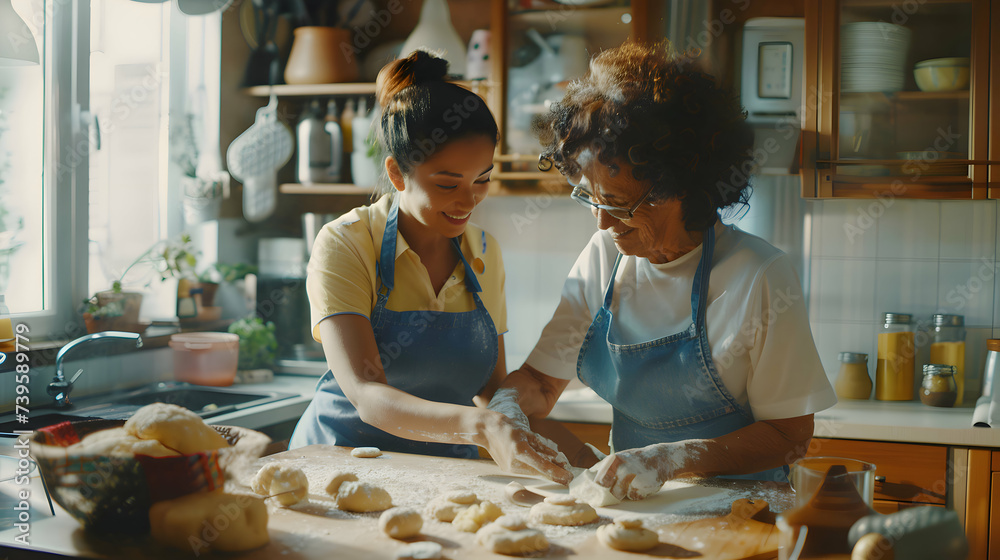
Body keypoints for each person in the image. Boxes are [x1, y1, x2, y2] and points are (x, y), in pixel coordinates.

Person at [493, 41, 837, 499]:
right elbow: (540, 382)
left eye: (617, 203)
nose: (601, 222)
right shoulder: (602, 257)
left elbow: (789, 436)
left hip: (739, 513)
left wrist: (670, 459)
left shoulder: (759, 275)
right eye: (589, 197)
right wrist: (506, 407)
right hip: (629, 511)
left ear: (683, 188)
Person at [289, 51, 572, 485]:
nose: (469, 200)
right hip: (339, 471)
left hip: (443, 475)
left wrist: (572, 451)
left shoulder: (483, 251)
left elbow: (491, 392)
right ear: (398, 174)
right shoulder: (346, 243)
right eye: (446, 184)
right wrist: (482, 428)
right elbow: (367, 394)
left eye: (482, 179)